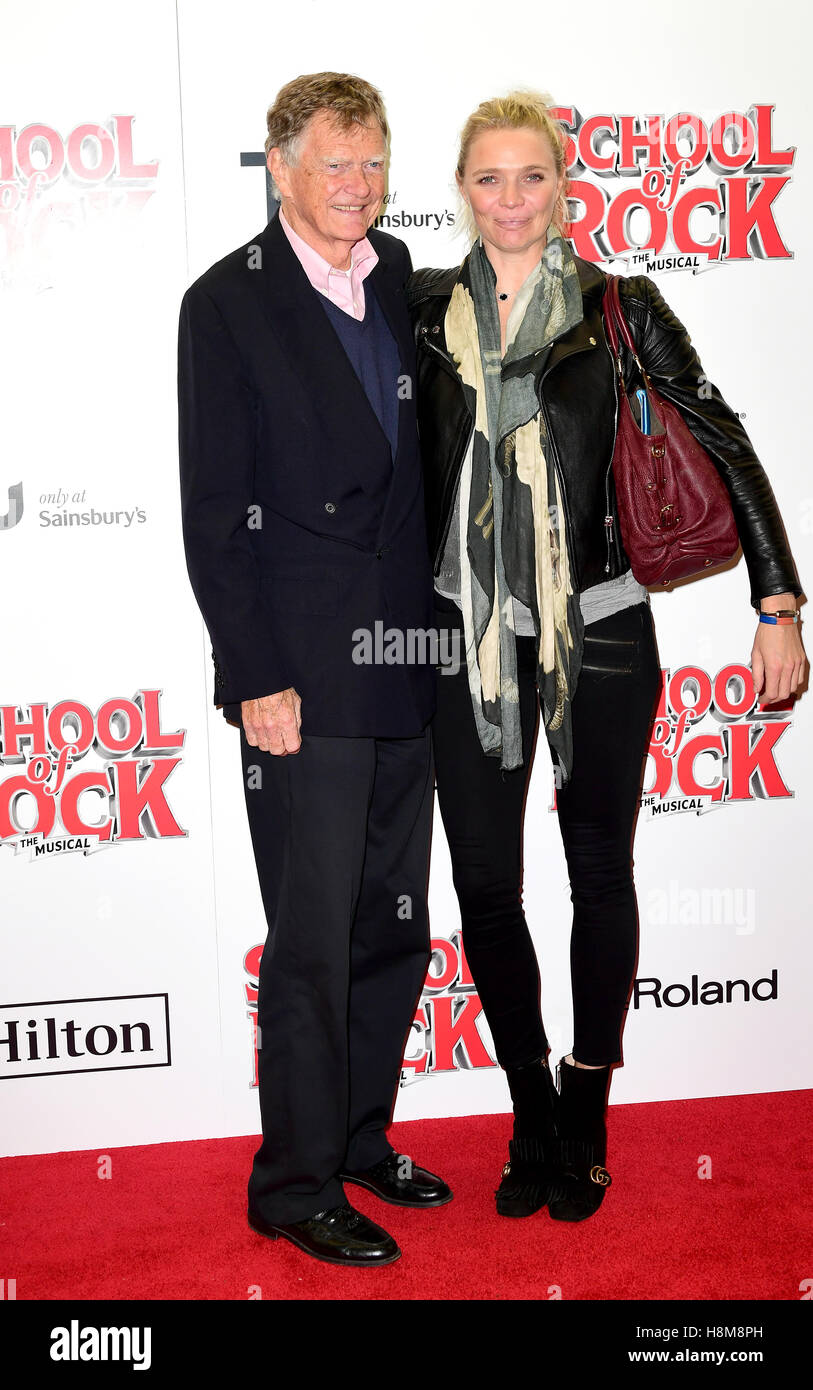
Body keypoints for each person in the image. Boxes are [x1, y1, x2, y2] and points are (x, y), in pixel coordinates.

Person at [408, 91, 805, 1222]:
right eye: (489, 178)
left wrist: (777, 600)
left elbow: (720, 432)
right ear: (463, 190)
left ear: (564, 187)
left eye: (532, 176)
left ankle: (586, 1100)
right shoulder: (425, 313)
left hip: (608, 623)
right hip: (466, 634)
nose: (512, 199)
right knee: (485, 882)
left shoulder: (621, 308)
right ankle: (528, 1104)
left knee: (599, 873)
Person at [178, 72, 451, 1268]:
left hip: (408, 659)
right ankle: (290, 1185)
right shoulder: (223, 304)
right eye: (335, 162)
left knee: (393, 925)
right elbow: (212, 508)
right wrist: (255, 675)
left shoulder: (395, 275)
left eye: (375, 162)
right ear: (279, 167)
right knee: (308, 939)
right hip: (300, 675)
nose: (358, 185)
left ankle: (356, 1139)